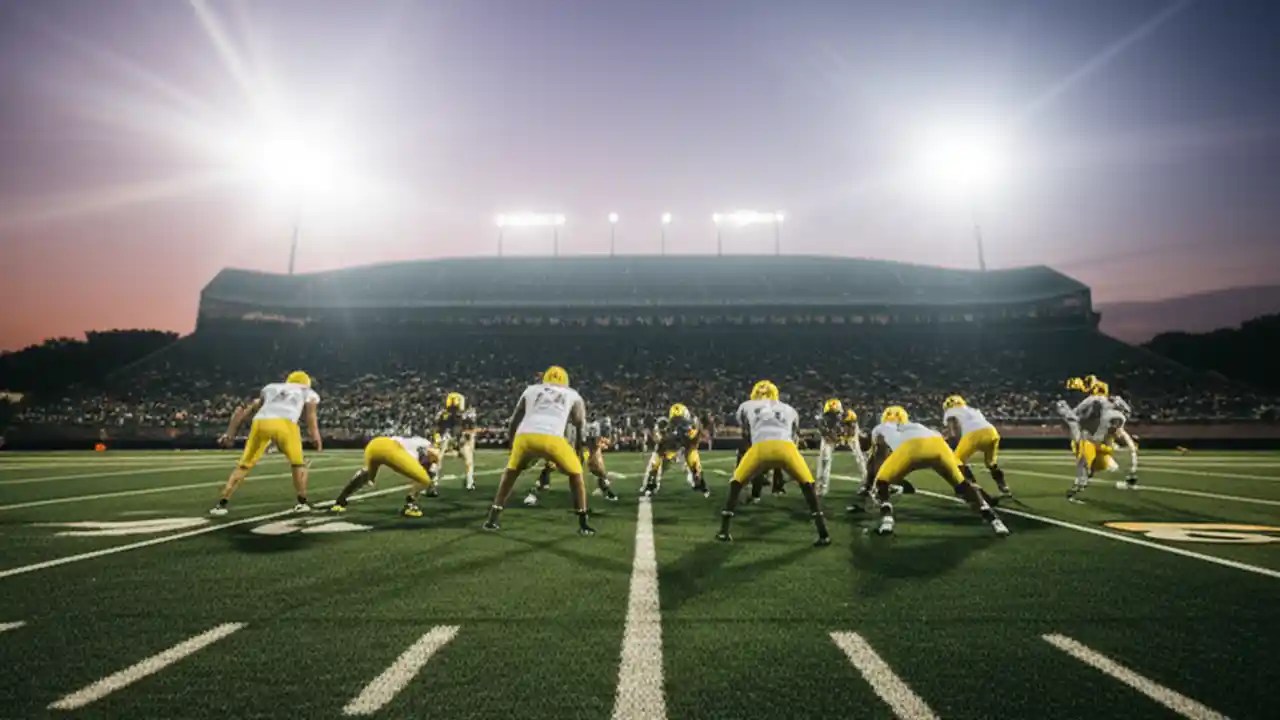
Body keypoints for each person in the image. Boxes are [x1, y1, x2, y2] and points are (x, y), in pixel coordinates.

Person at [716, 380, 830, 546]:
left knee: (736, 483)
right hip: (786, 447)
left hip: (760, 447)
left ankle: (724, 530)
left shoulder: (746, 405)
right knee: (808, 485)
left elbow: (746, 432)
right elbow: (793, 435)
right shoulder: (789, 409)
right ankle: (823, 533)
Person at [484, 366, 595, 535]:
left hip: (525, 436)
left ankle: (493, 518)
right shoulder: (572, 394)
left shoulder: (531, 390)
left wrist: (512, 443)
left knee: (511, 472)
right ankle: (583, 521)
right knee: (576, 474)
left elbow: (514, 420)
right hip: (552, 438)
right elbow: (580, 423)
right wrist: (579, 449)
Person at [867, 406, 1009, 537]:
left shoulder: (880, 428)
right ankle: (994, 520)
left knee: (882, 482)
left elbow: (878, 458)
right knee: (962, 485)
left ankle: (887, 520)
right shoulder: (919, 426)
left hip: (910, 449)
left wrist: (872, 482)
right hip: (937, 444)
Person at [211, 371, 321, 516]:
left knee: (244, 465)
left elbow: (245, 410)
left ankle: (221, 504)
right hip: (286, 424)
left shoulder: (270, 387)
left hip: (260, 422)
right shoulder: (308, 392)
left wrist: (230, 433)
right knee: (298, 464)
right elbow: (311, 417)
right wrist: (316, 438)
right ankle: (302, 502)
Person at [330, 435, 440, 517]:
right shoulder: (425, 448)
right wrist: (432, 476)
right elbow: (432, 457)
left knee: (366, 474)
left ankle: (340, 501)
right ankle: (410, 505)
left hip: (375, 444)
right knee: (425, 479)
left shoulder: (417, 442)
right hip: (392, 450)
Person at [524, 416, 619, 505]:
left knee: (598, 469)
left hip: (582, 448)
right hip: (568, 446)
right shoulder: (567, 424)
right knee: (550, 465)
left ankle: (606, 491)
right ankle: (534, 493)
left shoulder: (593, 428)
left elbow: (595, 446)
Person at [942, 395, 1010, 495]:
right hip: (992, 432)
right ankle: (1003, 485)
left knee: (956, 461)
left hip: (974, 434)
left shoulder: (950, 412)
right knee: (990, 463)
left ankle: (974, 489)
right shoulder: (973, 410)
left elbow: (953, 433)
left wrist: (944, 439)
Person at [642, 403, 709, 497]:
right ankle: (651, 484)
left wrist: (689, 438)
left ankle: (699, 483)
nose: (679, 423)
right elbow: (659, 442)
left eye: (681, 419)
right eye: (676, 420)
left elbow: (694, 441)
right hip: (668, 449)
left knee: (694, 461)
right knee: (655, 463)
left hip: (685, 448)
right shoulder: (663, 424)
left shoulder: (693, 424)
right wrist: (665, 436)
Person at [814, 399, 867, 497]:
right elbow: (825, 434)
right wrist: (834, 437)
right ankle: (821, 487)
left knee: (859, 456)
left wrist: (843, 437)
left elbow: (851, 432)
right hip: (833, 436)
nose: (831, 417)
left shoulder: (850, 416)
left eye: (834, 414)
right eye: (829, 414)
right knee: (824, 459)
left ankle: (867, 482)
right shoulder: (822, 420)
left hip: (848, 435)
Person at [435, 392, 478, 490]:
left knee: (469, 460)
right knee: (438, 457)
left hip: (461, 436)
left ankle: (469, 481)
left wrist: (469, 441)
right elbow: (439, 429)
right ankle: (434, 479)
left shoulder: (467, 414)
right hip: (449, 435)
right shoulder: (444, 414)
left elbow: (471, 430)